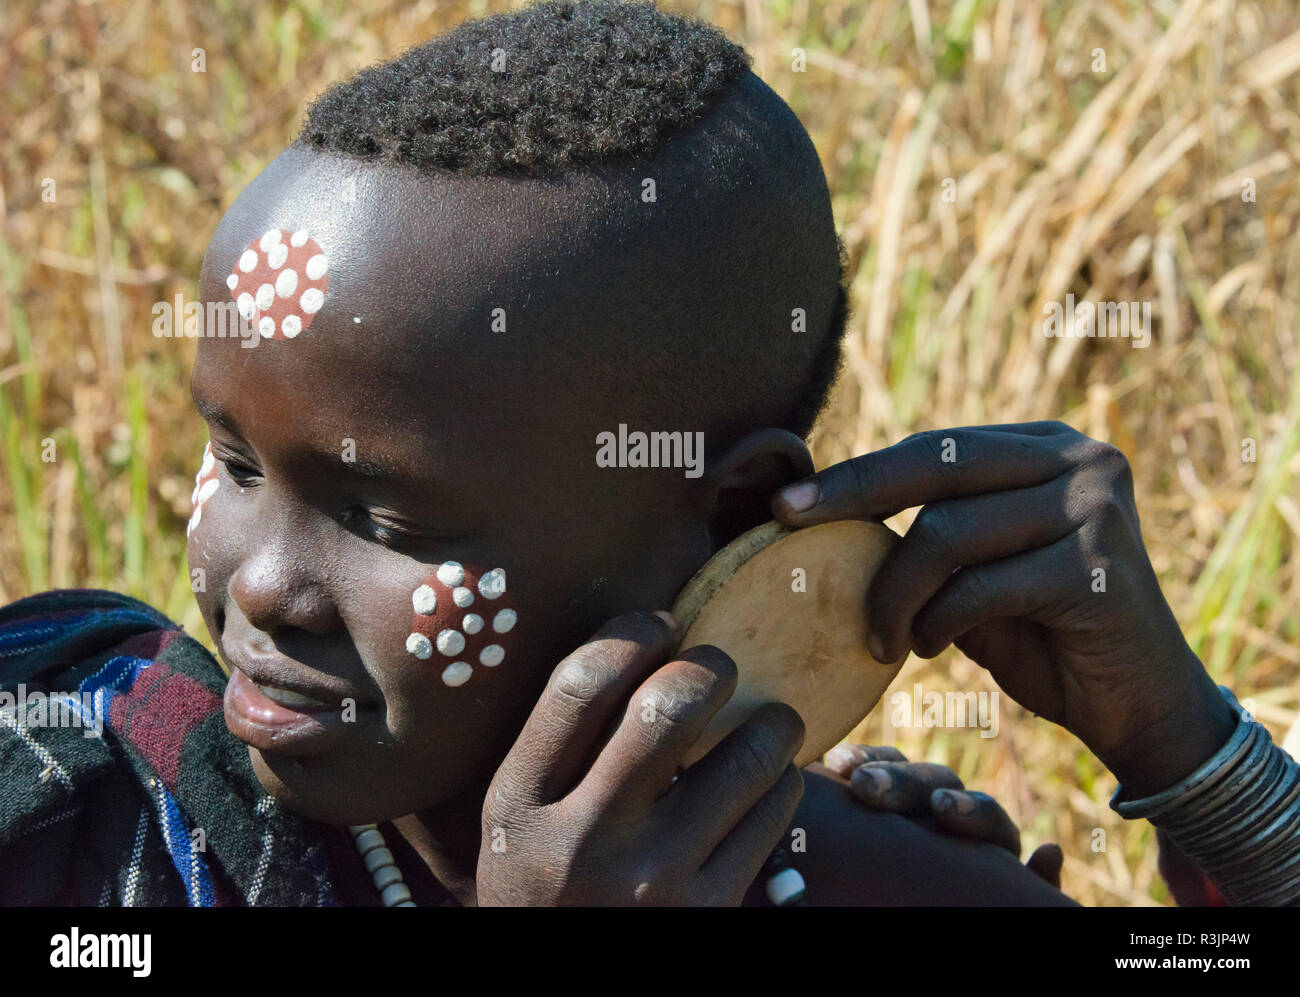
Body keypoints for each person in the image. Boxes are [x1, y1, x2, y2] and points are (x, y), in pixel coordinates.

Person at [1, 0, 1293, 906]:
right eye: (233, 462)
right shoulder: (67, 798)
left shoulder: (878, 887)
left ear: (723, 511)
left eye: (386, 520)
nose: (263, 583)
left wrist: (1192, 753)